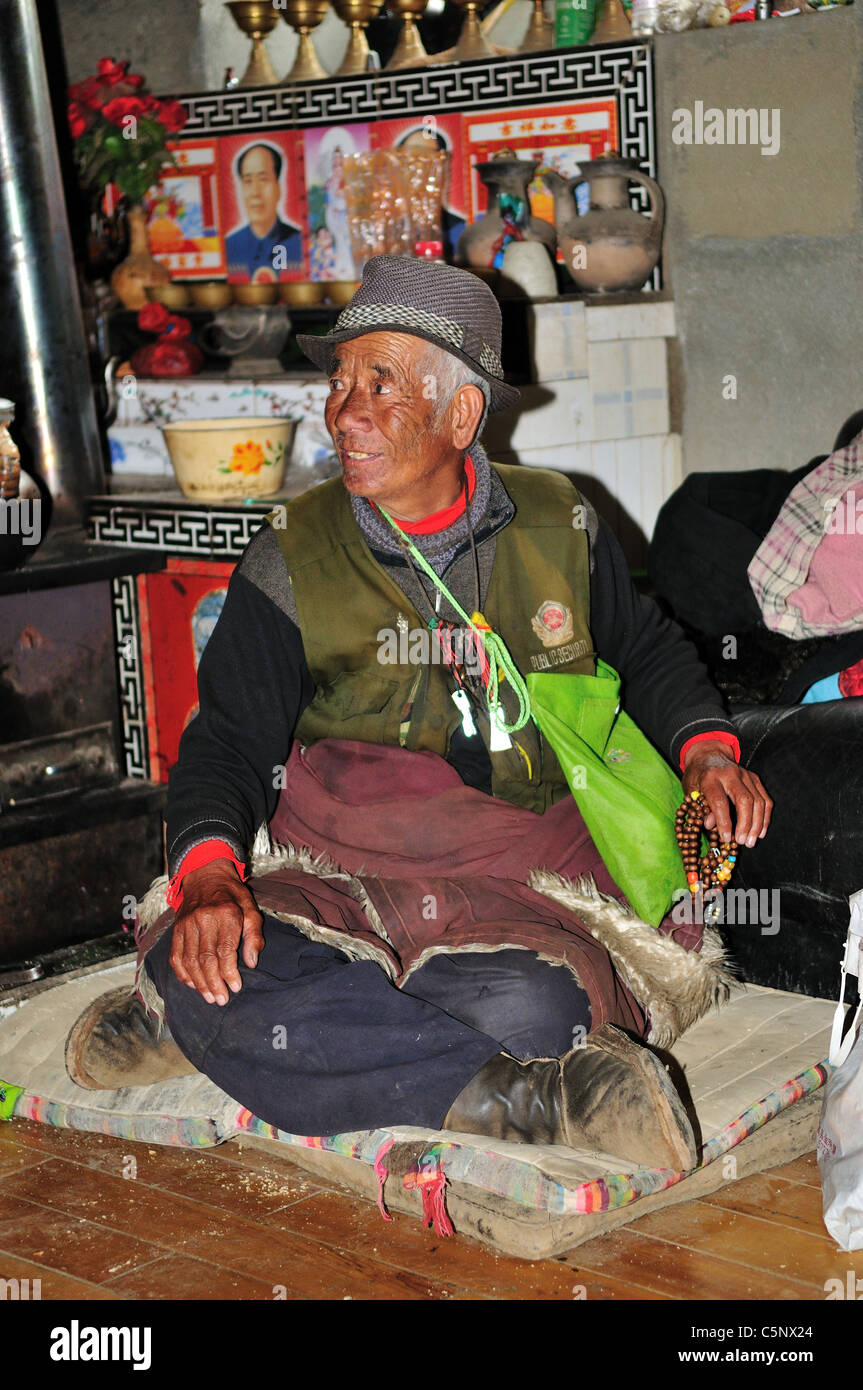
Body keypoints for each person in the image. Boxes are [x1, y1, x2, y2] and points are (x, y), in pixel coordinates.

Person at [66, 257, 772, 1170]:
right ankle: (519, 1099)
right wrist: (207, 879)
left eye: (381, 383)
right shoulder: (294, 554)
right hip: (335, 869)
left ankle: (232, 1037)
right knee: (204, 960)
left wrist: (707, 756)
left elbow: (646, 649)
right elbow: (230, 740)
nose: (342, 411)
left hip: (515, 881)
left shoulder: (561, 524)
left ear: (462, 416)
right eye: (340, 380)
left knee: (538, 1009)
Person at [224, 143, 302, 282]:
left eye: (263, 179)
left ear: (278, 188)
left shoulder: (299, 242)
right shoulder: (230, 245)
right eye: (248, 181)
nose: (255, 192)